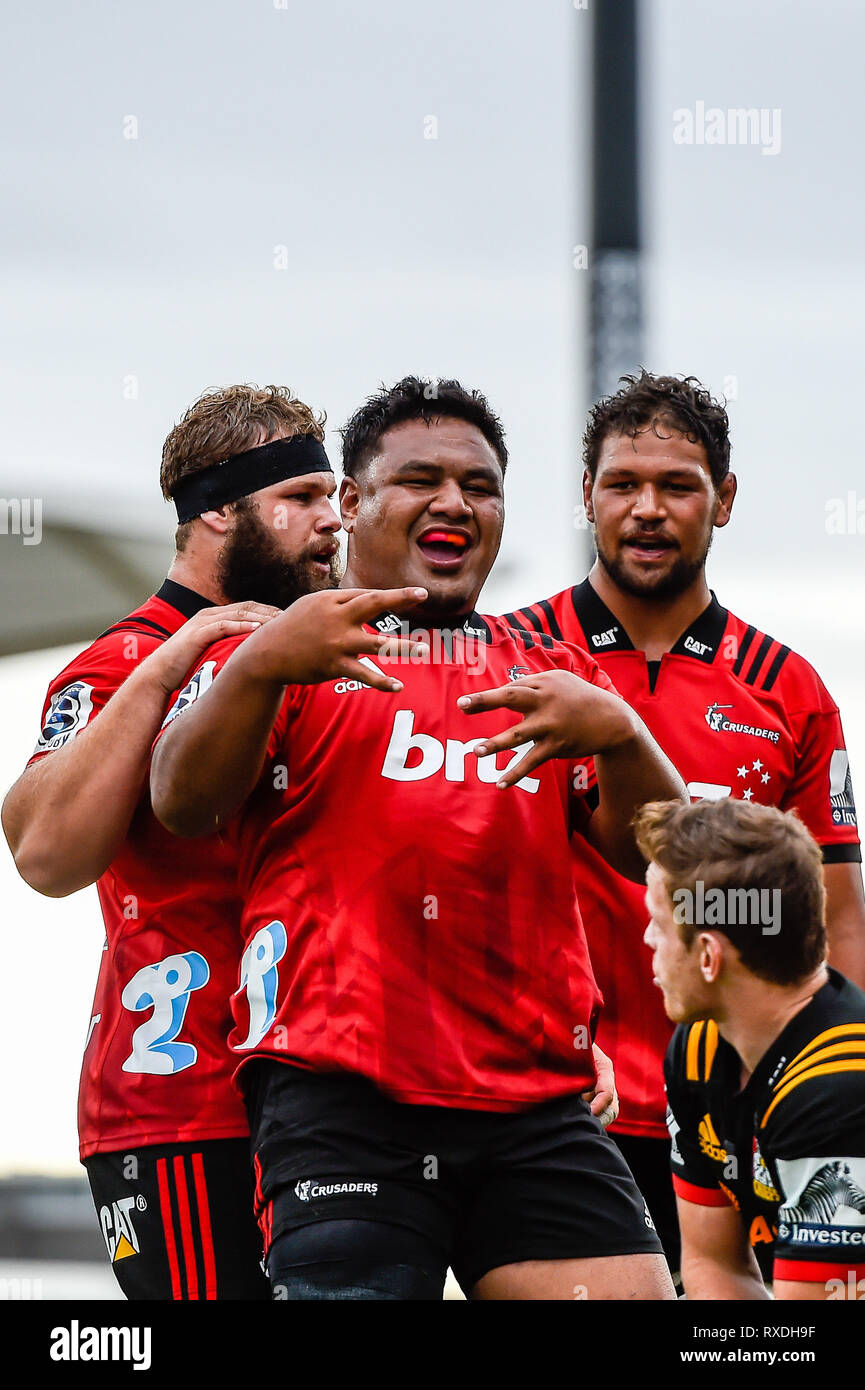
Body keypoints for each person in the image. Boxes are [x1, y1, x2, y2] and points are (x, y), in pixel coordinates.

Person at [150, 376, 684, 1302]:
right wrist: (261, 665)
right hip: (343, 1102)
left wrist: (624, 734)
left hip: (539, 1107)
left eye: (480, 487)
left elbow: (659, 855)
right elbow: (181, 803)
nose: (454, 502)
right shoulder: (286, 651)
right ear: (351, 503)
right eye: (422, 479)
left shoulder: (549, 672)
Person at [503, 371, 864, 1268]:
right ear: (586, 495)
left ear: (724, 500)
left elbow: (837, 912)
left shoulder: (790, 689)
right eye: (622, 484)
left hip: (728, 1104)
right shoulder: (507, 659)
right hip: (550, 1105)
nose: (647, 510)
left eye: (678, 486)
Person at [1, 383, 341, 1298]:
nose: (332, 520)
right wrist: (166, 667)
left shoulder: (321, 652)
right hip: (185, 1104)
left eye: (335, 495)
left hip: (336, 1100)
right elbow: (44, 856)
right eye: (301, 497)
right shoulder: (117, 661)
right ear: (219, 512)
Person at [637, 795, 865, 1300]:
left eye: (659, 920)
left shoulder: (840, 1086)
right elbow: (715, 1267)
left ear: (708, 956)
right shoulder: (698, 1048)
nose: (648, 937)